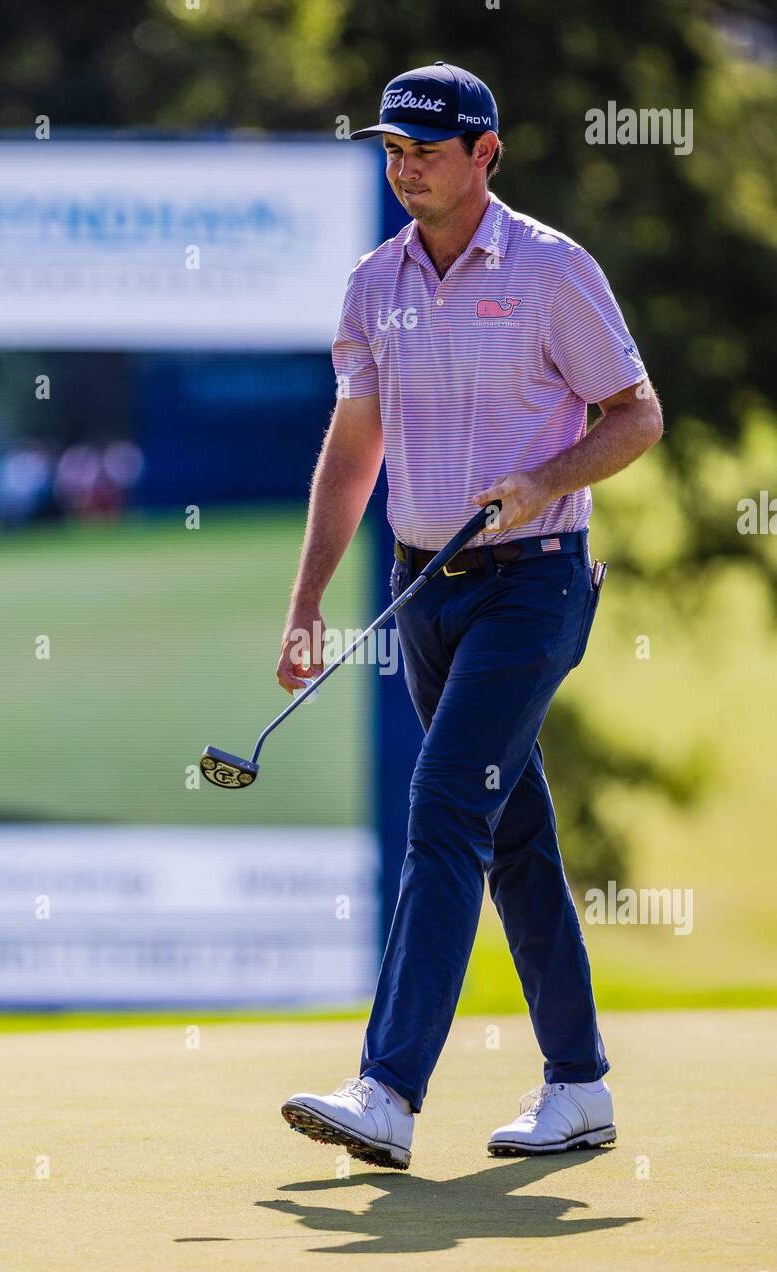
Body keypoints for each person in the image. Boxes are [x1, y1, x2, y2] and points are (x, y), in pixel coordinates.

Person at [278, 62, 663, 1169]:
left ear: (484, 153)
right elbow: (354, 449)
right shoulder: (369, 284)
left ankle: (386, 1091)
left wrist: (546, 477)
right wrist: (305, 603)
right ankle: (579, 1084)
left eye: (426, 151)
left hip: (532, 582)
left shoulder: (550, 271)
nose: (404, 169)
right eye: (392, 151)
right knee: (514, 841)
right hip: (425, 589)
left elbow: (635, 413)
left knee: (443, 803)